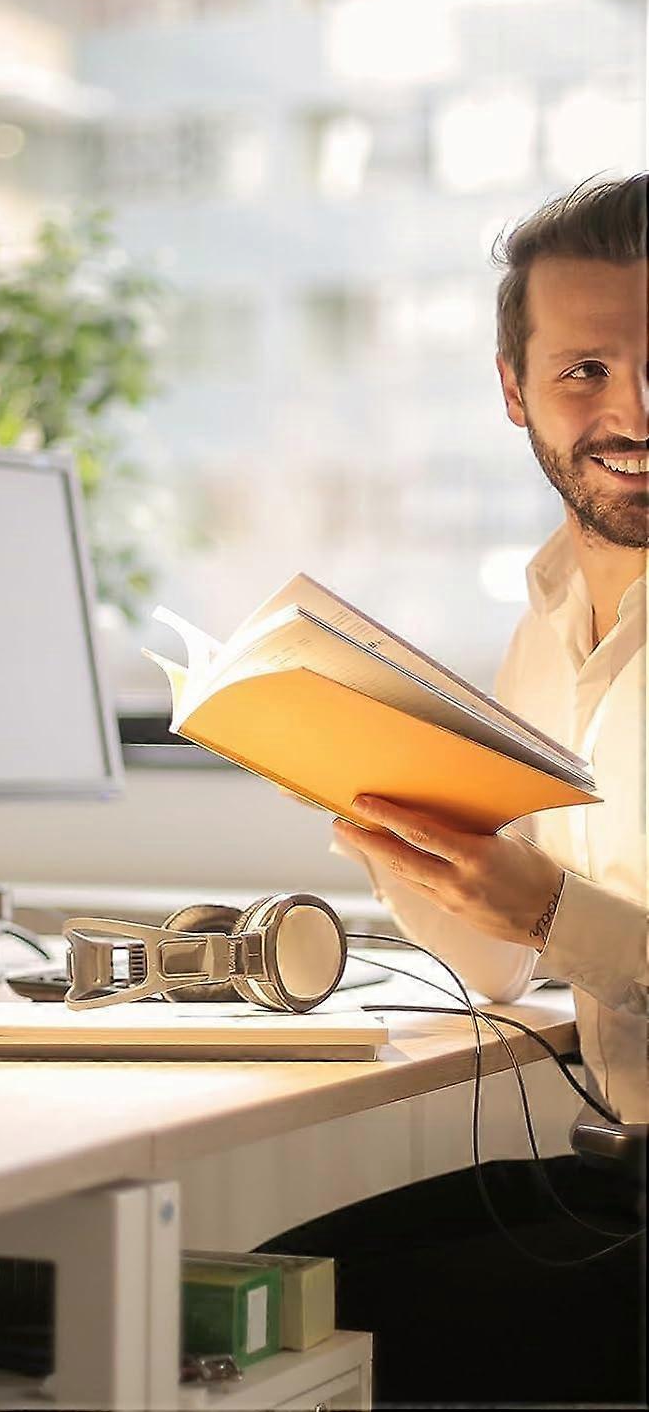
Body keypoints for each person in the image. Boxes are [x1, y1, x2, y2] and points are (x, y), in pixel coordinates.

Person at [262, 174, 647, 1407]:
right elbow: (501, 976)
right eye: (584, 369)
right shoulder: (548, 619)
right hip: (625, 1172)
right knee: (262, 1292)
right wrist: (396, 834)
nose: (634, 409)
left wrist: (550, 910)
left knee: (280, 1343)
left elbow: (549, 931)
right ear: (512, 389)